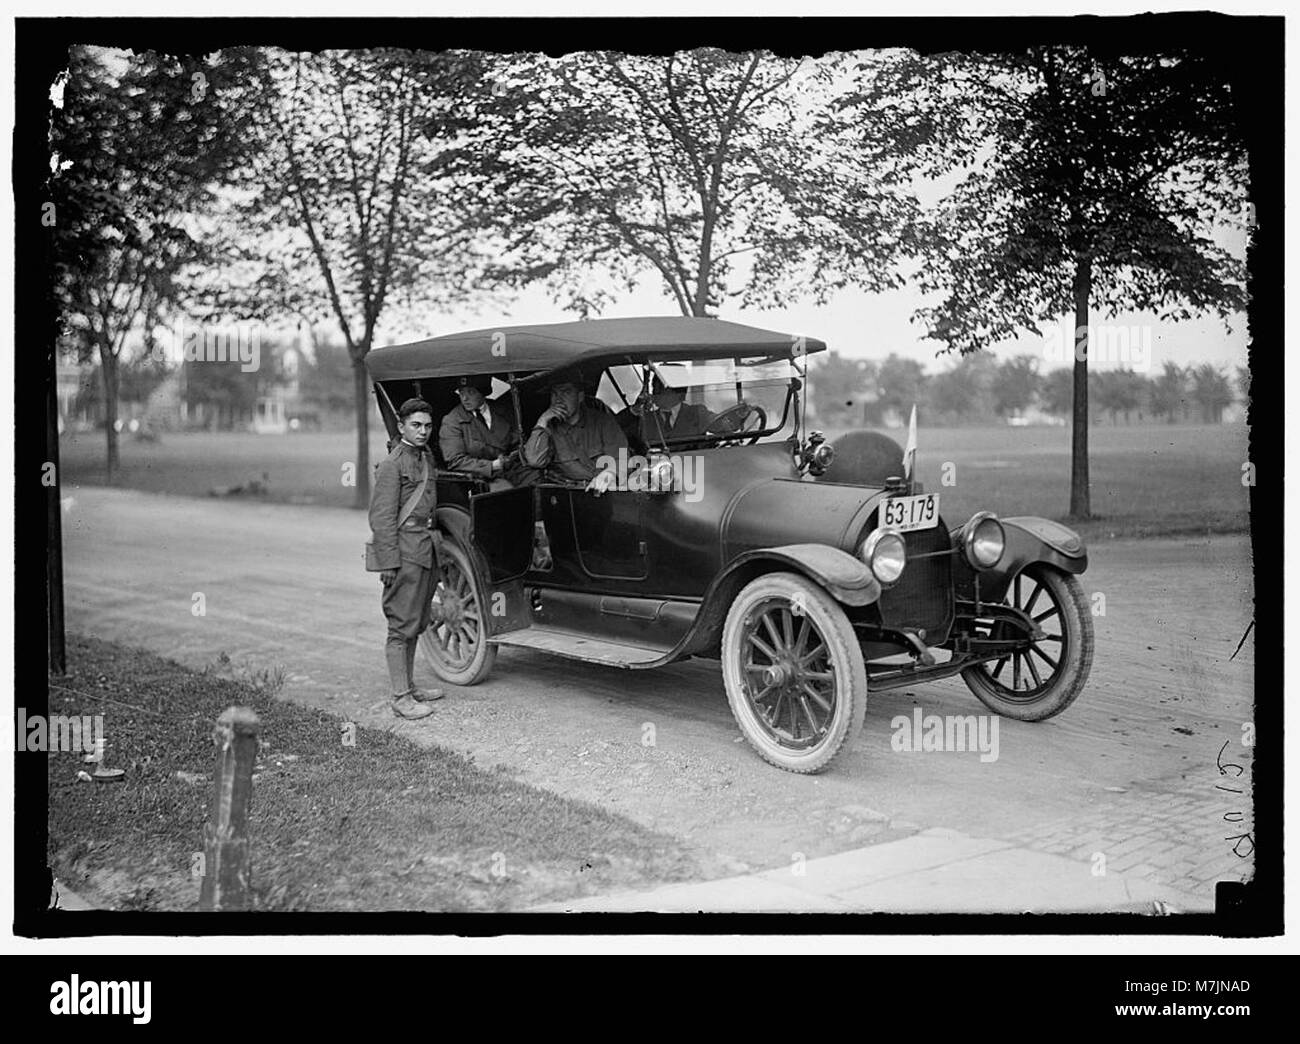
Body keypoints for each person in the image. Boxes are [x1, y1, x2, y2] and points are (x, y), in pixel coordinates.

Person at [368, 397, 445, 720]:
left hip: (424, 548)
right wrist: (388, 563)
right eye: (416, 425)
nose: (423, 431)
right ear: (401, 427)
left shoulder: (424, 457)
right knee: (400, 625)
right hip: (403, 553)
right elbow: (381, 518)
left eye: (427, 426)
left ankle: (410, 686)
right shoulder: (392, 465)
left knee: (416, 620)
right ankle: (400, 698)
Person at [522, 374, 627, 494]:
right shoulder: (549, 429)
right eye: (554, 394)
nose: (558, 399)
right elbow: (534, 460)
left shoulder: (603, 422)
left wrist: (610, 473)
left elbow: (622, 458)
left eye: (566, 392)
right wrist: (542, 420)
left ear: (580, 396)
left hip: (606, 492)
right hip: (570, 496)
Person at [438, 375, 521, 485]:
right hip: (481, 478)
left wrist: (511, 457)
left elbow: (517, 441)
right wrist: (491, 466)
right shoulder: (452, 420)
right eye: (461, 393)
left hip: (511, 470)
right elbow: (455, 461)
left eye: (471, 392)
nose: (464, 398)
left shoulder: (503, 410)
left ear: (483, 393)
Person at [635, 375, 714, 446]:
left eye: (660, 389)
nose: (654, 393)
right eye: (654, 388)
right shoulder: (646, 419)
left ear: (679, 393)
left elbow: (722, 426)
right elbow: (624, 429)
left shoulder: (697, 413)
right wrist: (635, 408)